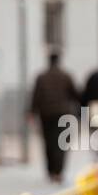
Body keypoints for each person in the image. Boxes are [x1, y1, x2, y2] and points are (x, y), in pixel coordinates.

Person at [28, 49, 80, 183]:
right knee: (61, 143)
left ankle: (51, 171)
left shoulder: (41, 77)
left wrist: (31, 112)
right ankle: (58, 171)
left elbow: (36, 96)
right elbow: (75, 95)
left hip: (46, 114)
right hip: (63, 114)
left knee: (48, 143)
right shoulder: (66, 76)